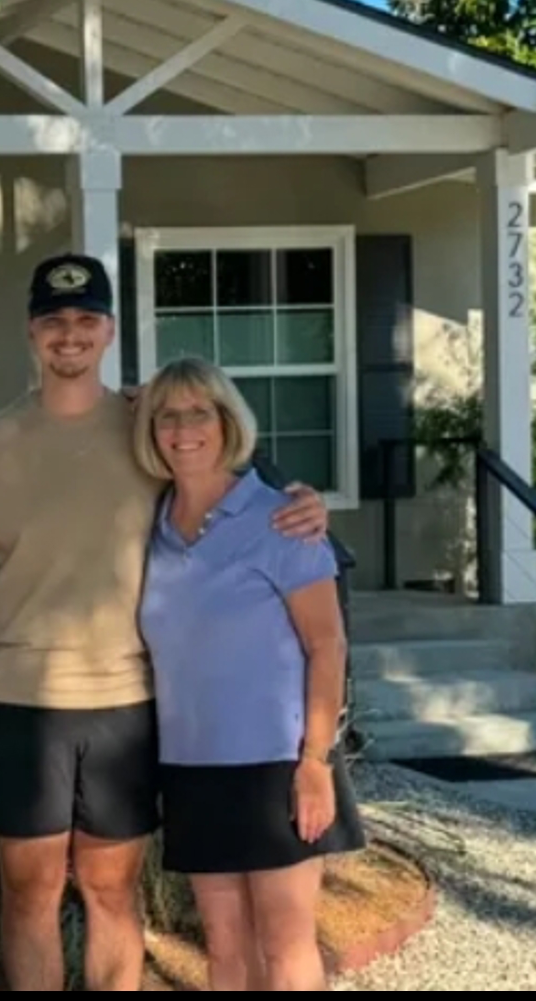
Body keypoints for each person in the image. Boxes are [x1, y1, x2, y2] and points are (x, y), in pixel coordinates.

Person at [0, 253, 331, 991]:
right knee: (28, 895)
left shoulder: (147, 429)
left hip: (124, 702)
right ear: (32, 332)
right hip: (16, 699)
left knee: (110, 892)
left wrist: (303, 498)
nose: (70, 335)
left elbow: (228, 476)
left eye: (86, 319)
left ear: (109, 330)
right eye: (54, 321)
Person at [131, 355, 365, 992]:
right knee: (225, 952)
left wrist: (315, 762)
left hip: (277, 765)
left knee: (285, 947)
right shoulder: (151, 525)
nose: (183, 429)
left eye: (199, 412)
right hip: (191, 767)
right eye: (167, 416)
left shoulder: (282, 520)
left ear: (227, 421)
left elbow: (328, 646)